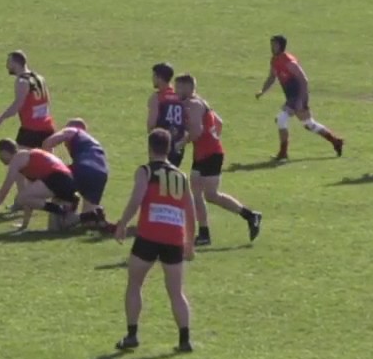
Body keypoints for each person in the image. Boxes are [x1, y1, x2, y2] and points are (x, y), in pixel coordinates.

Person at [112, 128, 197, 353]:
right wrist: (190, 242)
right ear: (169, 148)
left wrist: (122, 223)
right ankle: (184, 340)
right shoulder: (181, 176)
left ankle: (132, 335)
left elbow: (136, 200)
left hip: (149, 236)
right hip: (174, 238)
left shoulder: (145, 172)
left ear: (149, 148)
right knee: (176, 292)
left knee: (134, 283)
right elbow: (190, 211)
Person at [175, 74, 262, 246]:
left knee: (207, 194)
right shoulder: (201, 102)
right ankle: (208, 232)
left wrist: (180, 144)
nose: (176, 91)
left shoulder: (193, 104)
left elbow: (197, 132)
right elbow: (219, 122)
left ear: (186, 87)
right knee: (203, 194)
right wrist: (213, 138)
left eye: (178, 87)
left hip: (209, 154)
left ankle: (248, 217)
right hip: (207, 153)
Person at [255, 35, 345, 161]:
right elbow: (271, 77)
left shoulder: (289, 62)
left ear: (281, 46)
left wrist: (301, 101)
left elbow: (304, 80)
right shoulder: (274, 60)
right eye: (272, 45)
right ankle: (336, 141)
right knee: (308, 124)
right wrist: (262, 91)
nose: (272, 47)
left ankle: (283, 153)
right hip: (291, 96)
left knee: (281, 119)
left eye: (275, 45)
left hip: (297, 96)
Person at [0, 140, 79, 231]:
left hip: (59, 179)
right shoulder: (28, 161)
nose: (0, 158)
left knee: (22, 197)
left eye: (0, 154)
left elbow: (6, 188)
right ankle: (67, 210)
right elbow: (28, 200)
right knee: (55, 228)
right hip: (67, 182)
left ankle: (62, 211)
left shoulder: (17, 159)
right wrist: (24, 225)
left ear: (5, 152)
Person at [42, 119, 113, 231]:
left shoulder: (72, 130)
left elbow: (47, 143)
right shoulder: (93, 143)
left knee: (57, 185)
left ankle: (55, 226)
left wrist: (50, 166)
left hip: (83, 168)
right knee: (87, 220)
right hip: (101, 173)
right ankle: (93, 217)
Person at [0, 50, 56, 149]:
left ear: (15, 63)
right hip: (47, 127)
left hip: (31, 129)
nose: (7, 66)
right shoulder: (40, 78)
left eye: (8, 62)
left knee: (20, 160)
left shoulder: (22, 81)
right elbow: (47, 100)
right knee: (48, 162)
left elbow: (17, 105)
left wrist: (0, 119)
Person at [147, 62, 187, 166]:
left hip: (161, 145)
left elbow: (151, 124)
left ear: (159, 77)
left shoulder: (157, 97)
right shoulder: (180, 96)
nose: (153, 79)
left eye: (154, 76)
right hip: (178, 143)